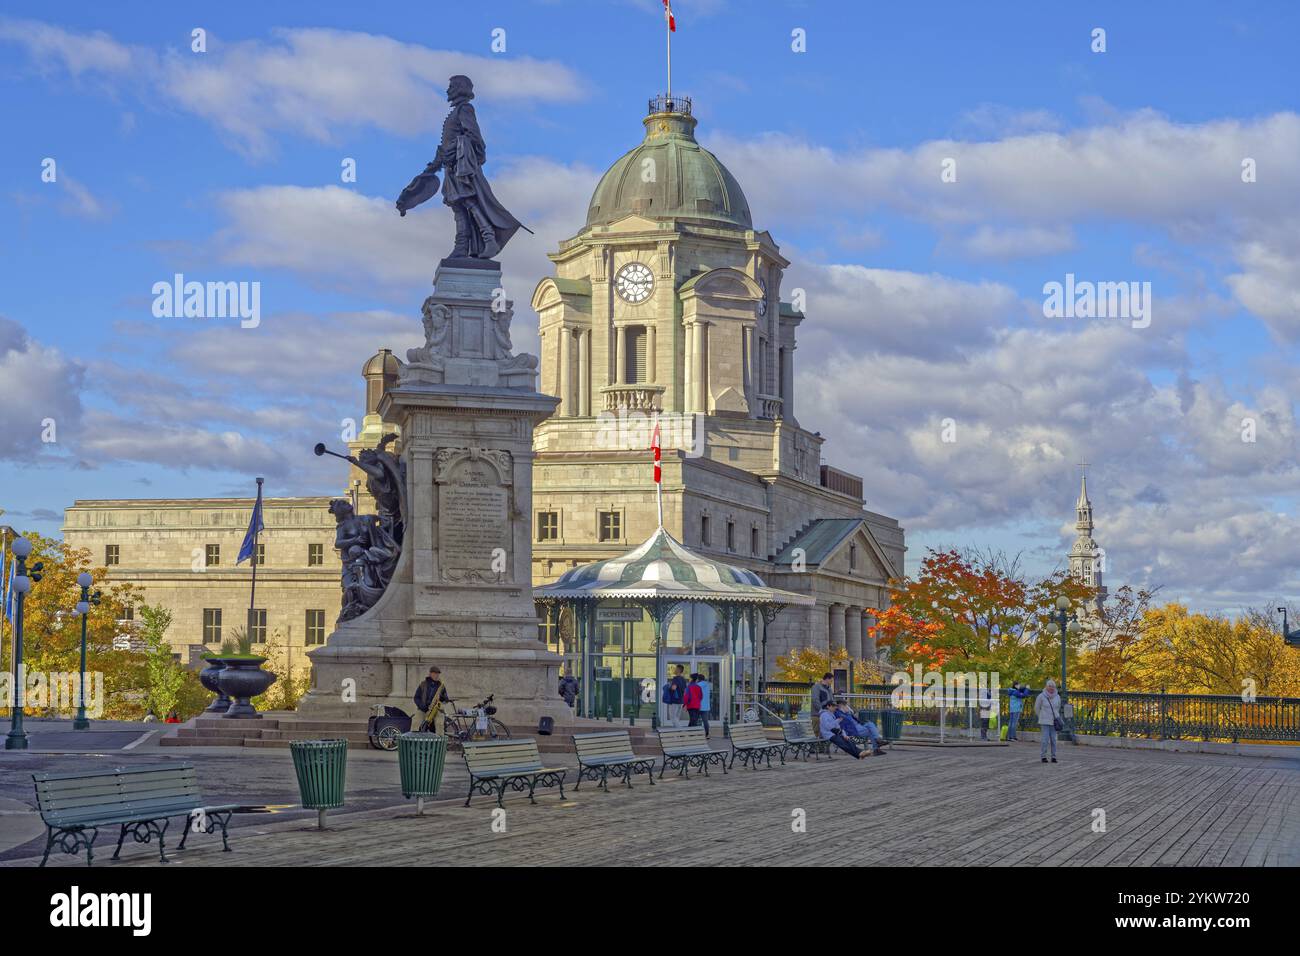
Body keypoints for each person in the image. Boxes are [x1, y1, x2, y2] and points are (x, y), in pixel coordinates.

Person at [414, 665, 451, 734]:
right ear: (430, 674)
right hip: (423, 709)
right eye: (435, 674)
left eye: (438, 674)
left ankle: (439, 742)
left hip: (436, 710)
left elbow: (446, 700)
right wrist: (422, 706)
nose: (437, 675)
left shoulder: (441, 685)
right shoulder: (423, 684)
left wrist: (443, 697)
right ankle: (414, 741)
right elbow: (416, 697)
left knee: (439, 724)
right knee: (416, 722)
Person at [1035, 678, 1062, 763]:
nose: (1051, 688)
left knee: (1054, 740)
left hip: (1054, 721)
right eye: (1049, 686)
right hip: (1044, 721)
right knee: (1045, 740)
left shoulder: (1057, 697)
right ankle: (1043, 756)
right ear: (1046, 687)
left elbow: (1058, 707)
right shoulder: (1041, 696)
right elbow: (1036, 708)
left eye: (1053, 686)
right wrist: (1041, 716)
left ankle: (1054, 757)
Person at [811, 673, 835, 738]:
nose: (831, 682)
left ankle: (824, 748)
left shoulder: (829, 689)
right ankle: (815, 748)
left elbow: (832, 701)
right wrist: (822, 711)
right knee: (816, 734)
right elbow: (815, 700)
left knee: (826, 734)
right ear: (827, 679)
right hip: (817, 716)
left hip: (827, 716)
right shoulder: (816, 687)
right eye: (831, 681)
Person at [696, 671, 714, 737]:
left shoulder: (697, 685)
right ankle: (707, 734)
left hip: (698, 705)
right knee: (705, 721)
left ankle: (696, 734)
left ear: (698, 679)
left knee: (695, 720)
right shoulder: (708, 685)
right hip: (706, 706)